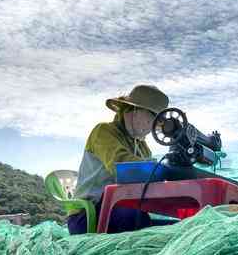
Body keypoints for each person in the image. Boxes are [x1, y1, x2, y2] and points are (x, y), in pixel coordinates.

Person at [68, 84, 170, 235]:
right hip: (87, 215)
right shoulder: (103, 132)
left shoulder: (143, 147)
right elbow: (121, 166)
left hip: (121, 208)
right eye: (153, 118)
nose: (154, 126)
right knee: (135, 218)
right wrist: (165, 170)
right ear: (135, 110)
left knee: (171, 227)